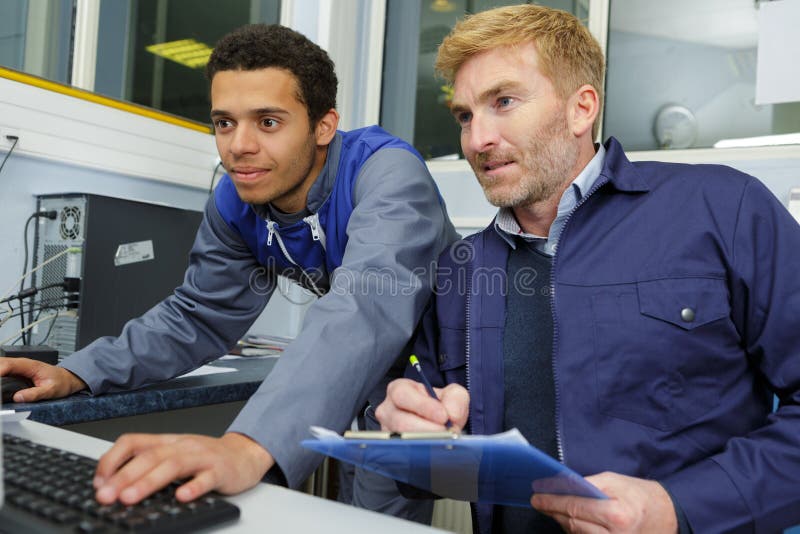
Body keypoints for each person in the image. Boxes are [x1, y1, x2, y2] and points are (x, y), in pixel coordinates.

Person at [0, 24, 456, 522]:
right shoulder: (237, 200)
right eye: (223, 122)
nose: (239, 146)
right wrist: (78, 372)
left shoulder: (387, 174)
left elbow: (362, 309)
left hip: (451, 367)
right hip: (366, 371)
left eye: (267, 122)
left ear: (323, 126)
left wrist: (247, 445)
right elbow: (198, 315)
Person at [375, 4, 800, 533]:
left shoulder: (723, 210)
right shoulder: (459, 271)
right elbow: (427, 452)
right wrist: (407, 430)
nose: (476, 140)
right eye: (464, 115)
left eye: (503, 101)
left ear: (582, 109)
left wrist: (678, 508)